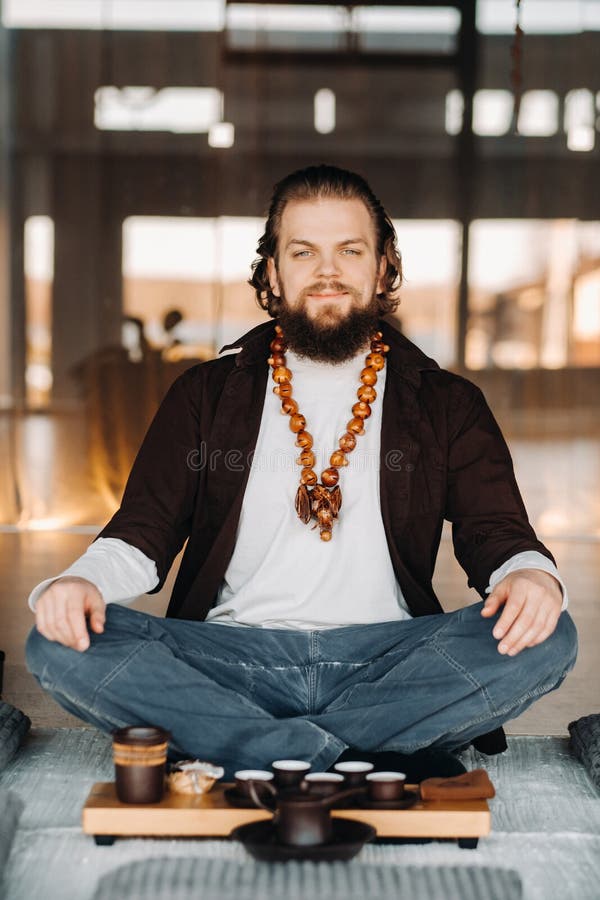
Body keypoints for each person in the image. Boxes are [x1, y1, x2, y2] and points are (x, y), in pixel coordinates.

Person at [25, 165, 577, 781]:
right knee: (55, 639)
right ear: (272, 272)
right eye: (303, 251)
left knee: (550, 635)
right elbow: (144, 530)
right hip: (228, 659)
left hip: (387, 658)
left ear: (382, 267)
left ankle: (253, 749)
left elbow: (495, 529)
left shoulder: (447, 402)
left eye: (350, 250)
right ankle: (362, 753)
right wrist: (79, 583)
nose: (328, 271)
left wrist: (531, 575)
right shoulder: (204, 394)